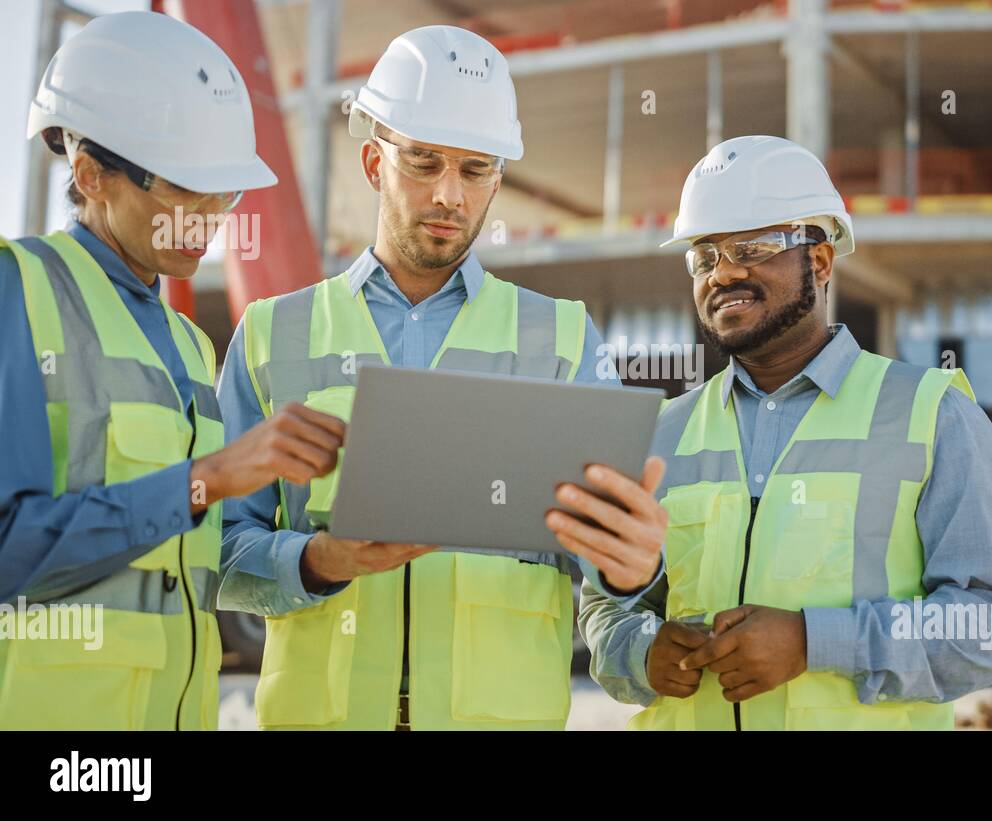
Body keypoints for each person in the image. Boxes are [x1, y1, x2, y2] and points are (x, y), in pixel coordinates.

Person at [217, 25, 666, 730]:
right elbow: (215, 550)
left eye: (475, 169)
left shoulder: (564, 339)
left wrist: (635, 563)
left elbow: (607, 572)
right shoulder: (275, 336)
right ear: (373, 162)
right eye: (423, 163)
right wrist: (319, 560)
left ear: (498, 177)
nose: (450, 196)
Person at [579, 135, 992, 730]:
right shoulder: (662, 434)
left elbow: (990, 626)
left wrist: (815, 641)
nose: (725, 272)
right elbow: (606, 603)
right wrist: (642, 651)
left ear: (819, 262)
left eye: (753, 246)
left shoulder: (932, 415)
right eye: (705, 255)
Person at [0, 11, 343, 730]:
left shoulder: (191, 344)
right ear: (90, 173)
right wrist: (208, 478)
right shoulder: (19, 293)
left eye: (225, 192)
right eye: (186, 191)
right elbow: (9, 552)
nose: (211, 218)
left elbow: (190, 562)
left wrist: (323, 557)